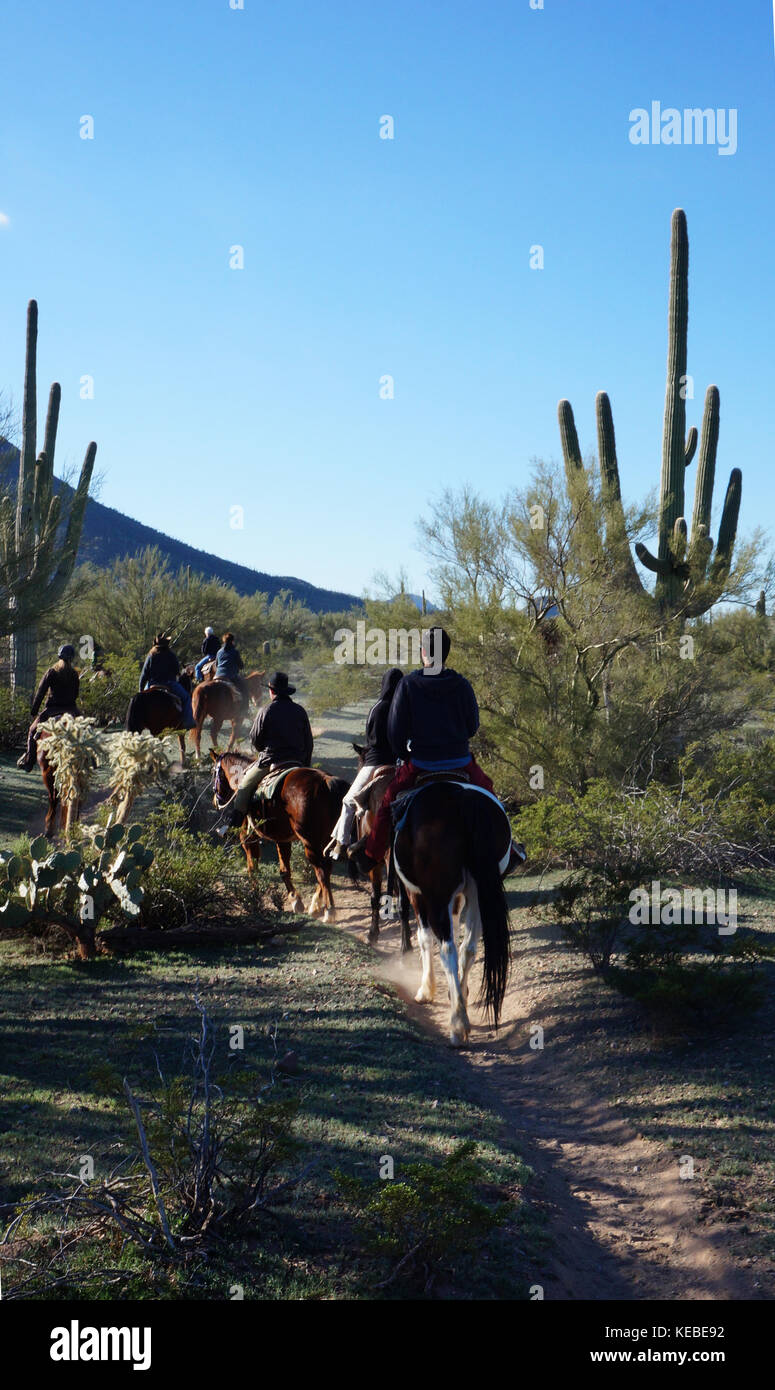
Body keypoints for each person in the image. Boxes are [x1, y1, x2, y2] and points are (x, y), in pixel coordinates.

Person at [348, 627, 525, 876]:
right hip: (461, 762)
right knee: (491, 797)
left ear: (423, 653)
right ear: (447, 654)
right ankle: (510, 848)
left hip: (422, 764)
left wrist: (405, 754)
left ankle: (372, 854)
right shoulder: (462, 684)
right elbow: (472, 727)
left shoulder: (408, 684)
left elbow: (395, 733)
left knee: (388, 801)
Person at [218, 671, 313, 832]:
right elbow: (308, 742)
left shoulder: (265, 711)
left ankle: (233, 827)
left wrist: (264, 752)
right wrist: (305, 763)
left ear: (271, 691)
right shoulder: (300, 710)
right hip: (298, 761)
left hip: (271, 761)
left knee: (244, 787)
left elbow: (255, 739)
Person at [325, 666, 403, 859]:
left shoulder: (378, 707)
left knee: (348, 800)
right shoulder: (405, 708)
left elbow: (372, 739)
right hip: (401, 762)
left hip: (376, 762)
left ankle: (343, 843)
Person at [17, 644, 81, 771]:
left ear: (59, 656)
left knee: (32, 731)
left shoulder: (52, 671)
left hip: (52, 710)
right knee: (86, 729)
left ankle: (29, 762)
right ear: (71, 658)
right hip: (71, 709)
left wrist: (34, 711)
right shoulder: (74, 674)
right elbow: (75, 694)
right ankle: (91, 760)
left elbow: (40, 692)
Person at [138, 631, 195, 728]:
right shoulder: (171, 654)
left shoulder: (151, 655)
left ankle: (139, 723)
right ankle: (188, 722)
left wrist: (140, 690)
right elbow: (177, 670)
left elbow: (144, 674)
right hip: (169, 684)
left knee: (139, 702)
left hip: (152, 684)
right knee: (186, 698)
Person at [213, 631, 250, 714]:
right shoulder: (235, 651)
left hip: (217, 676)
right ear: (232, 641)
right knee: (244, 689)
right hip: (230, 676)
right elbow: (241, 665)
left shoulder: (219, 651)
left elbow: (216, 664)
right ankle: (245, 710)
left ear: (224, 641)